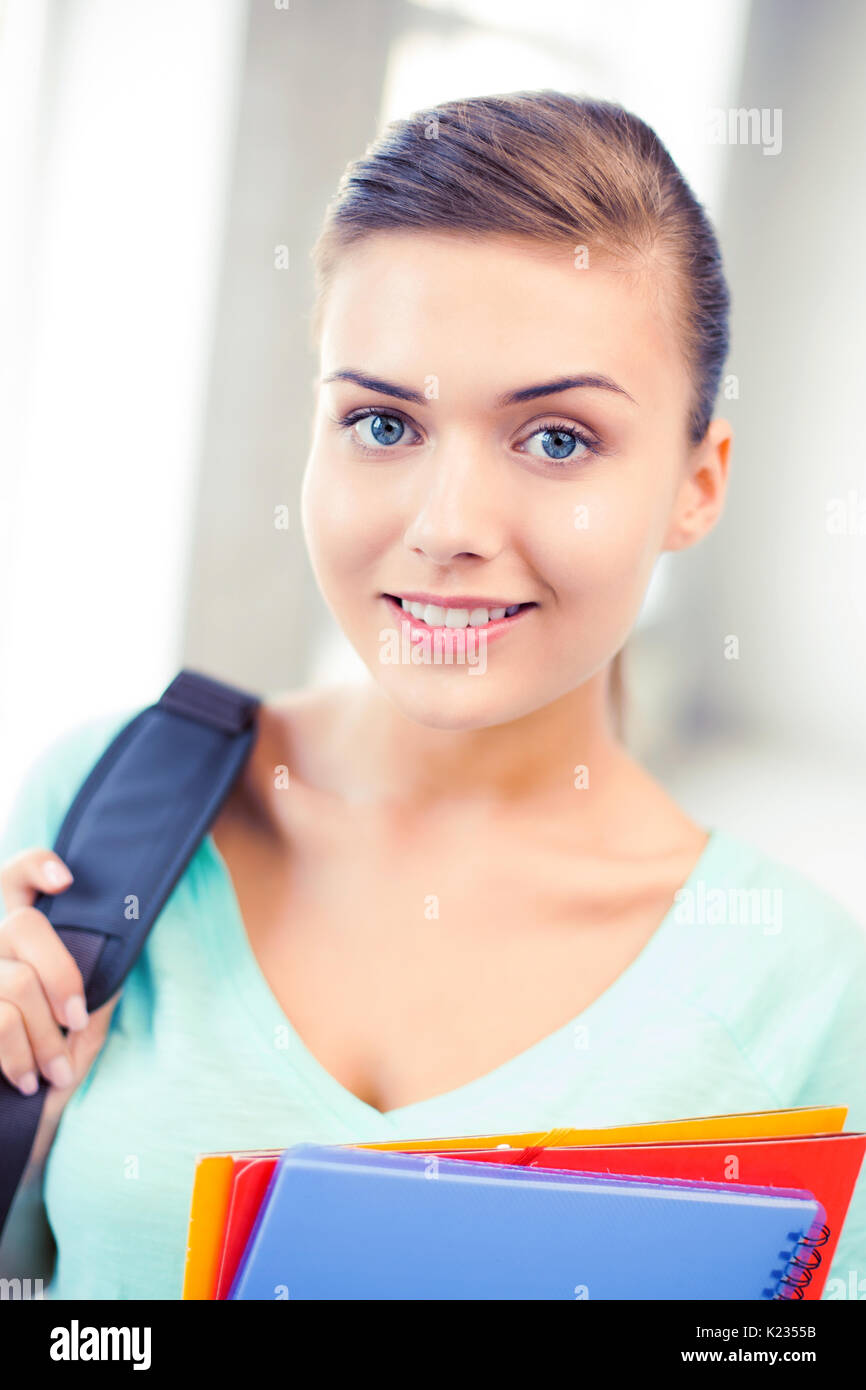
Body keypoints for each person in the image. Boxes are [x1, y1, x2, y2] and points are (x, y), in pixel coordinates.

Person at [1, 92, 864, 1300]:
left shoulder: (804, 994)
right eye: (381, 421)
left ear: (695, 482)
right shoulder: (94, 819)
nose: (446, 527)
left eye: (556, 438)